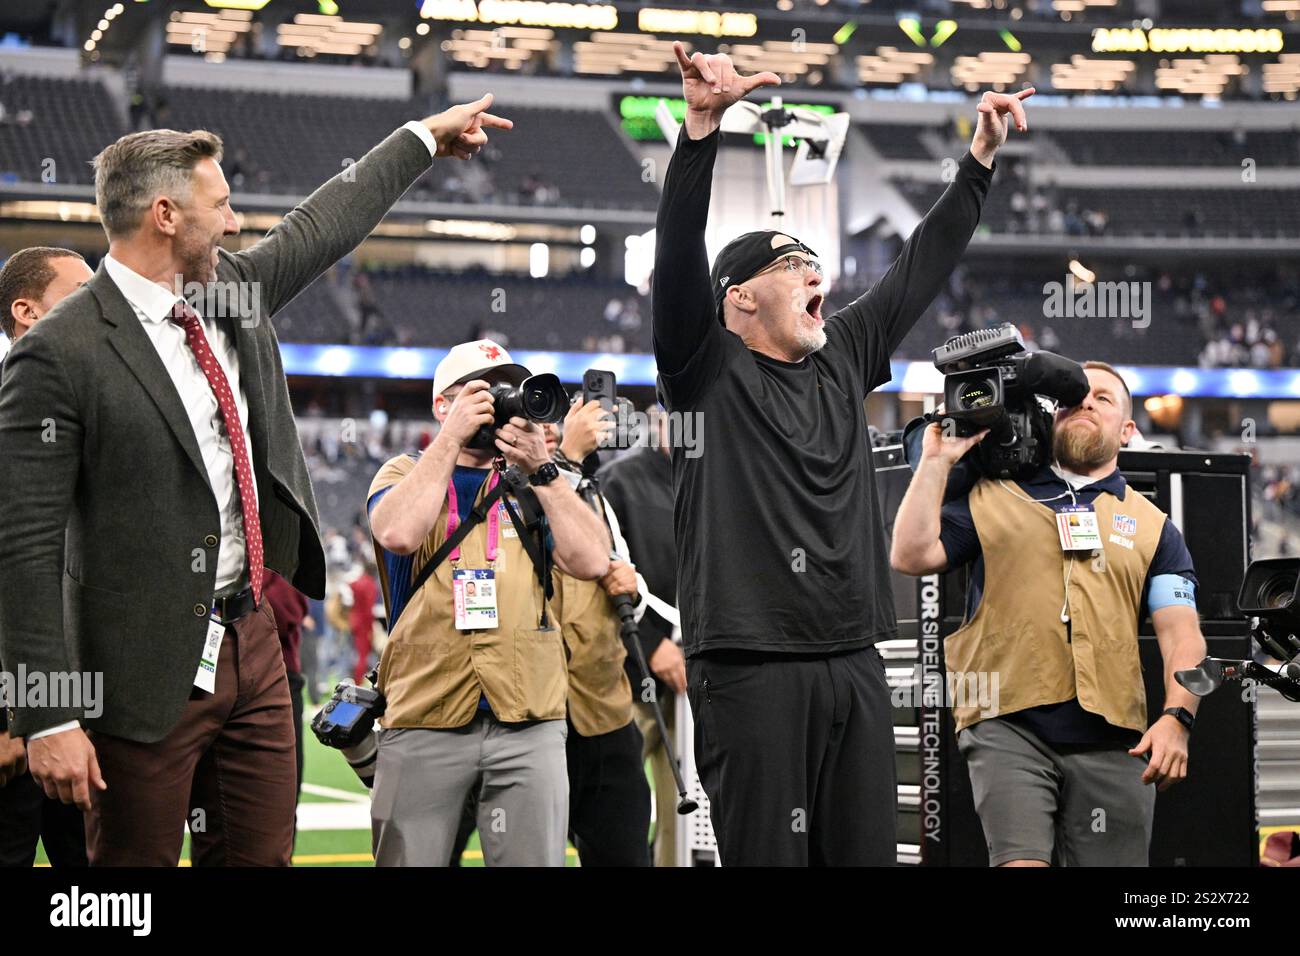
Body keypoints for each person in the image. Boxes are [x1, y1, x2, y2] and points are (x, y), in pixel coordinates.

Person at [0, 95, 512, 866]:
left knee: (256, 859)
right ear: (166, 215)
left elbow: (321, 225)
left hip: (251, 642)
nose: (236, 223)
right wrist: (46, 715)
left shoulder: (227, 293)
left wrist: (421, 141)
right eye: (223, 205)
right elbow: (24, 545)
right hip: (137, 665)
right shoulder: (61, 350)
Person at [652, 40, 1032, 865]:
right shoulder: (702, 368)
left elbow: (917, 268)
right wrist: (701, 131)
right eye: (795, 265)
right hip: (748, 664)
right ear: (740, 298)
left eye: (817, 265)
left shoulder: (843, 353)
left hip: (853, 657)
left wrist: (978, 163)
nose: (817, 275)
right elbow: (676, 255)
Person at [891, 361, 1206, 867]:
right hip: (1006, 727)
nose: (1085, 403)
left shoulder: (1156, 528)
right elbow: (909, 556)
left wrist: (1177, 718)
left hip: (1115, 742)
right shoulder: (992, 496)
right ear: (1050, 416)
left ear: (1128, 429)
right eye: (1073, 397)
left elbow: (1183, 636)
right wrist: (934, 461)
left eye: (1103, 399)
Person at [366, 339, 610, 867]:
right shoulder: (402, 472)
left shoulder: (537, 481)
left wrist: (544, 467)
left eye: (506, 392)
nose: (498, 404)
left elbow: (593, 561)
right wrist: (451, 439)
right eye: (480, 391)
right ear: (441, 404)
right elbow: (399, 533)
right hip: (426, 712)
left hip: (529, 717)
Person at [0, 246, 93, 868]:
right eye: (81, 293)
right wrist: (12, 712)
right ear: (25, 311)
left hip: (87, 706)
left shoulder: (89, 398)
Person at [544, 398, 652, 867]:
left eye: (554, 420)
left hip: (605, 710)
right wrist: (563, 459)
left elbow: (621, 572)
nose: (548, 429)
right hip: (532, 717)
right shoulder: (499, 491)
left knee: (624, 854)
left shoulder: (594, 494)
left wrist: (636, 586)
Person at [598, 405, 685, 866]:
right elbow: (600, 581)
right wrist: (653, 646)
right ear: (657, 417)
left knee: (685, 817)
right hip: (629, 680)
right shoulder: (618, 481)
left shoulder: (715, 481)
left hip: (698, 679)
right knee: (616, 810)